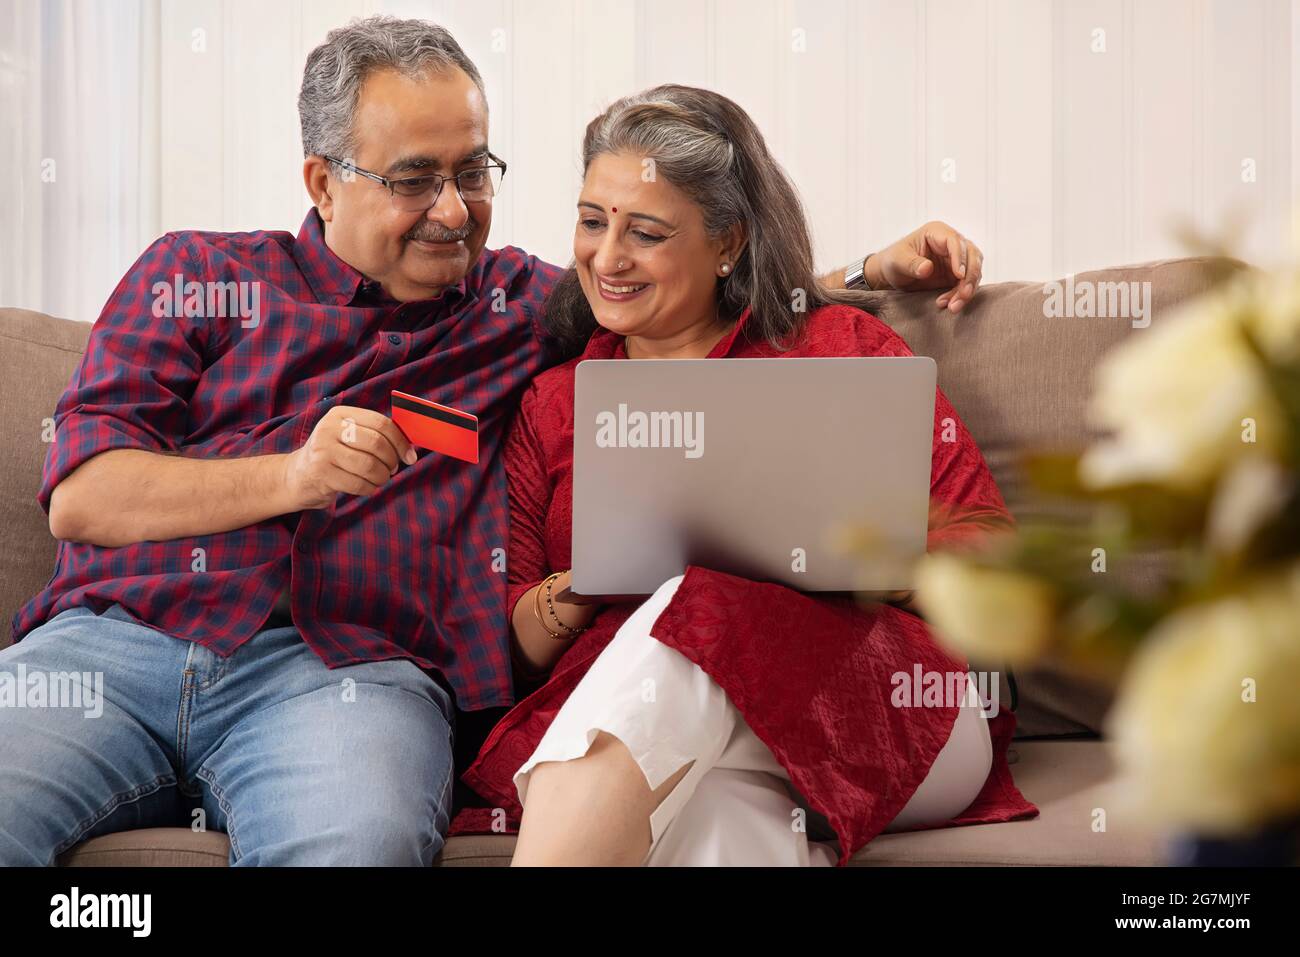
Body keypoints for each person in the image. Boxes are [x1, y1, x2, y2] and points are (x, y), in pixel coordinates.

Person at [0, 16, 988, 866]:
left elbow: (690, 273)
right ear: (322, 179)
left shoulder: (515, 306)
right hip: (111, 647)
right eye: (413, 178)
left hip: (348, 677)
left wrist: (863, 269)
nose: (452, 208)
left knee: (361, 845)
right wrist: (291, 475)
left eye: (474, 171)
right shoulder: (198, 275)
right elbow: (86, 492)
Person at [457, 85, 1037, 866]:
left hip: (894, 711)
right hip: (682, 742)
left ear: (728, 242)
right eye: (593, 221)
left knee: (695, 602)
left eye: (648, 232)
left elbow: (1002, 572)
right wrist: (590, 577)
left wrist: (869, 564)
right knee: (721, 826)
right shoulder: (555, 403)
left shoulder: (840, 351)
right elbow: (516, 642)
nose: (607, 256)